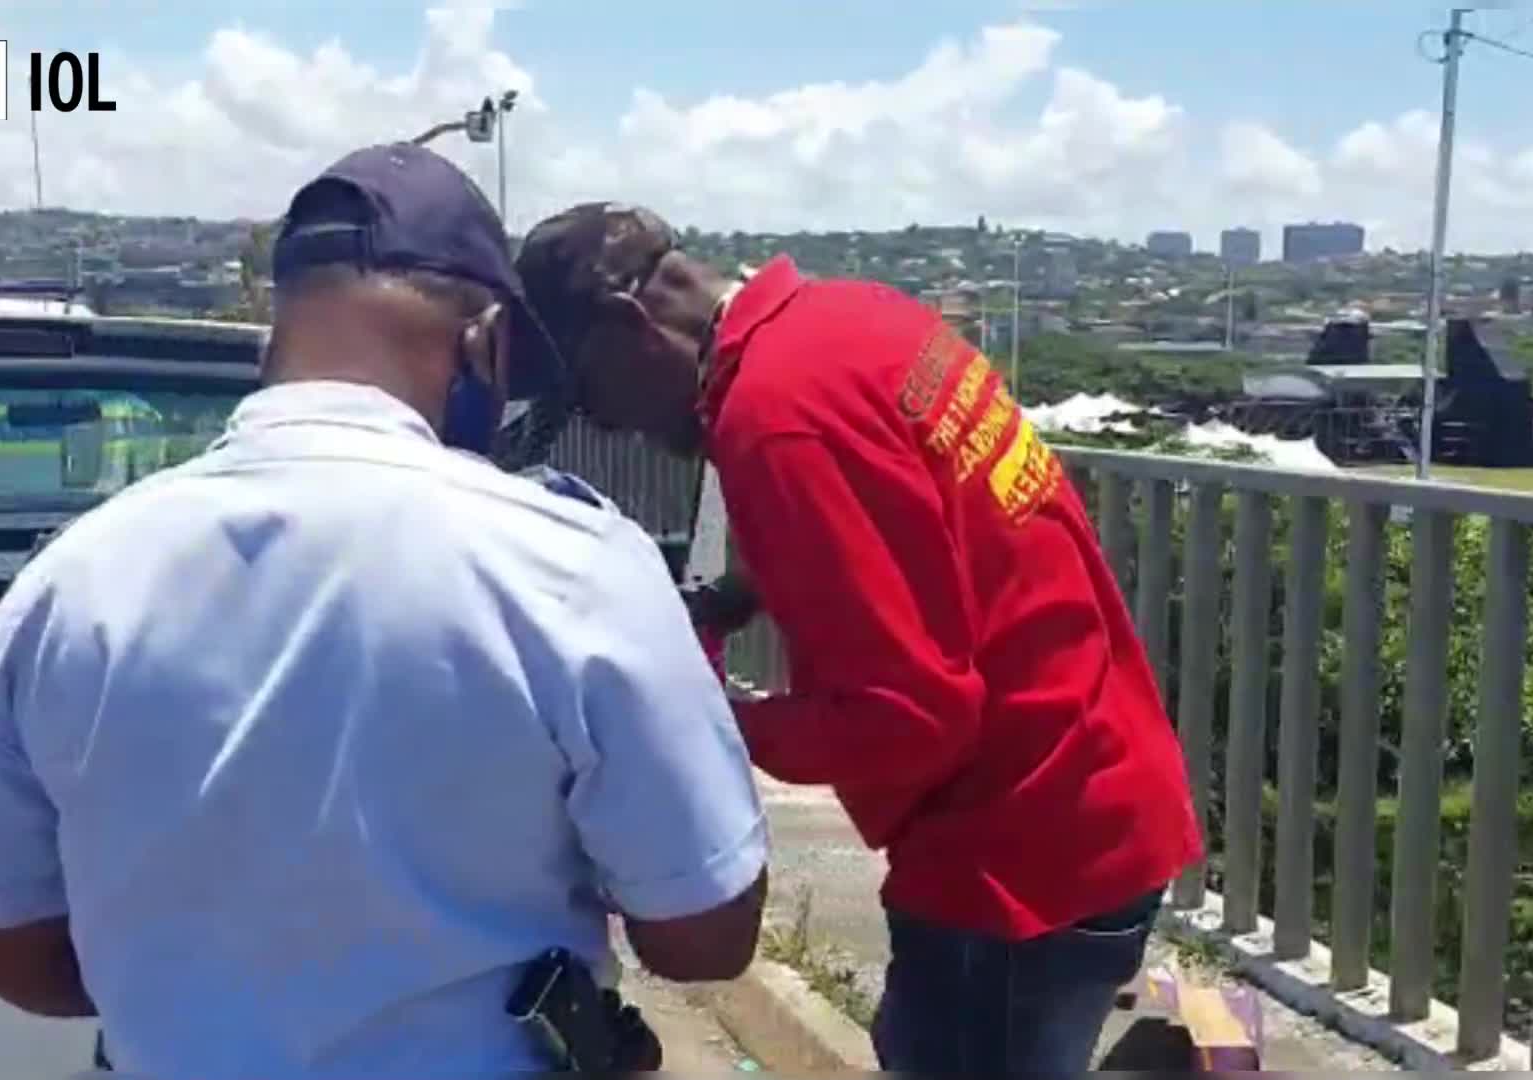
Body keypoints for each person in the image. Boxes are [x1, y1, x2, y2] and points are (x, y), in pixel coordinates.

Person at [0, 148, 768, 1079]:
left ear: (273, 339)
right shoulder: (571, 564)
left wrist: (209, 992)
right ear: (485, 342)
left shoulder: (63, 588)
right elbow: (706, 934)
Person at [512, 203, 1205, 1072]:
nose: (605, 425)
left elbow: (911, 718)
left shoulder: (774, 418)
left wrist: (695, 720)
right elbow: (907, 527)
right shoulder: (852, 316)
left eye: (588, 393)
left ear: (629, 324)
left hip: (1010, 861)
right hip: (1099, 791)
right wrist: (733, 601)